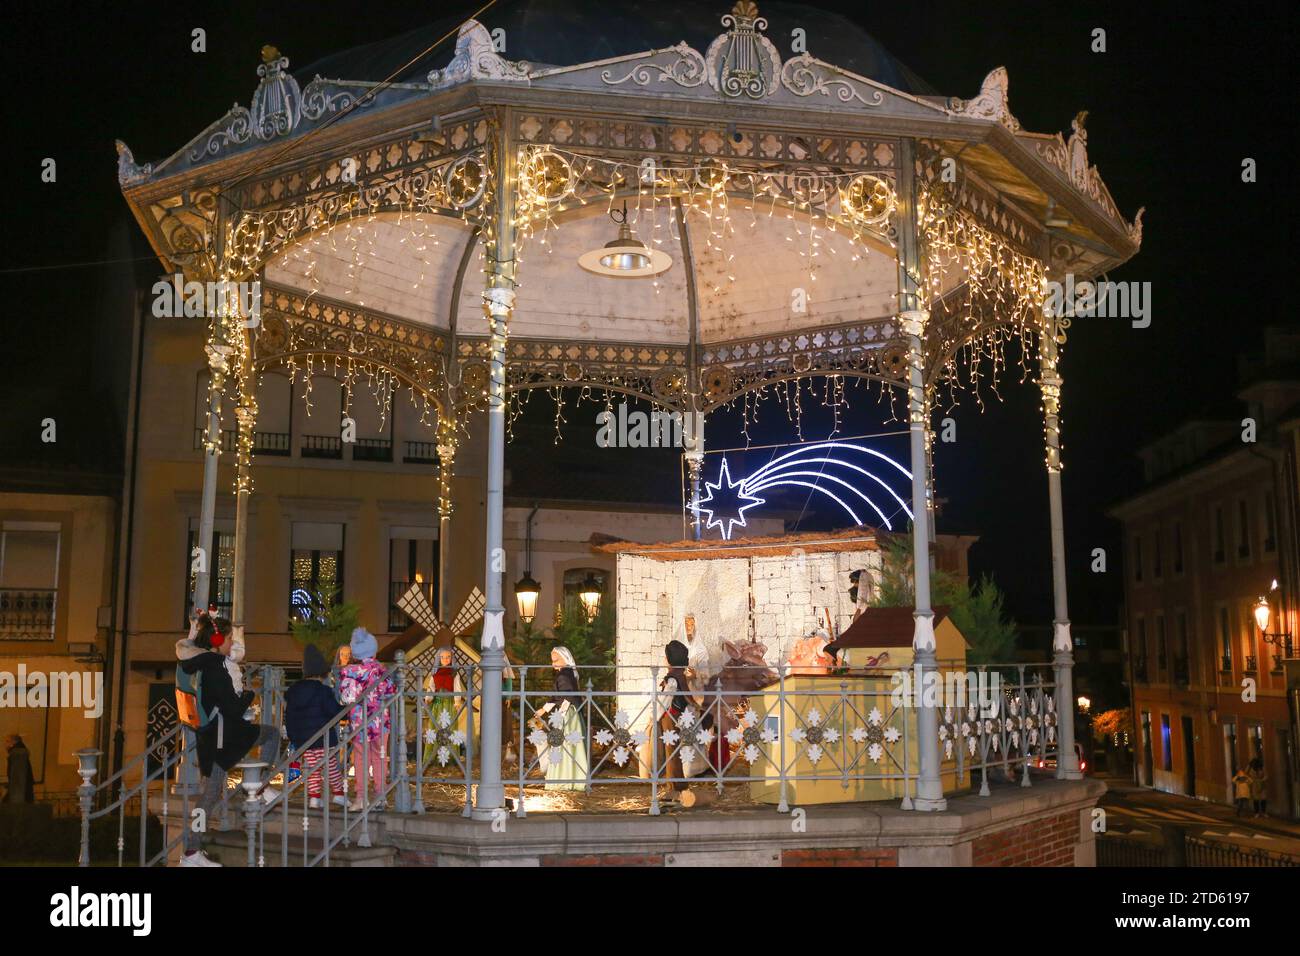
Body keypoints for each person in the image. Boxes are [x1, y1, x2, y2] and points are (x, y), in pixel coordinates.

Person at [176, 614, 281, 867]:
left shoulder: (197, 662)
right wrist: (248, 694)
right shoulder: (217, 664)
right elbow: (232, 707)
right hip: (226, 734)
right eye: (230, 638)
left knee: (208, 796)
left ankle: (191, 852)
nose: (231, 643)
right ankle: (258, 786)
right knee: (272, 735)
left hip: (209, 735)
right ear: (218, 639)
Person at [338, 627, 395, 811]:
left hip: (359, 723)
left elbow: (346, 698)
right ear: (374, 650)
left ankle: (361, 797)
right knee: (380, 757)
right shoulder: (381, 670)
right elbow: (390, 692)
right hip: (380, 722)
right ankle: (380, 796)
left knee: (361, 759)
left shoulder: (350, 671)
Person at [285, 645, 346, 809]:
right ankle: (339, 794)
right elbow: (333, 711)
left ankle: (314, 798)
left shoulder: (294, 691)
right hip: (322, 737)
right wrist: (348, 710)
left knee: (312, 768)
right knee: (331, 765)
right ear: (322, 672)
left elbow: (289, 717)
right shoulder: (323, 691)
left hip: (304, 739)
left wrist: (293, 737)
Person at [532, 646, 587, 791]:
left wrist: (545, 709)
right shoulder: (569, 674)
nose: (553, 664)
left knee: (564, 745)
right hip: (570, 712)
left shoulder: (564, 675)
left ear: (565, 659)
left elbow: (563, 696)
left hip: (568, 714)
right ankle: (572, 777)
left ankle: (565, 779)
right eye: (552, 661)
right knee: (568, 746)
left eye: (556, 660)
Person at [656, 640, 696, 801]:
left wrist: (655, 717)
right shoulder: (680, 675)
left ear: (669, 659)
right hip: (677, 716)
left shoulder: (672, 679)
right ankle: (675, 785)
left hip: (671, 717)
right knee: (672, 751)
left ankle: (675, 788)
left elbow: (666, 699)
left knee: (671, 752)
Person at [3, 734, 34, 804]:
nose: (5, 744)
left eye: (7, 741)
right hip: (23, 789)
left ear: (13, 742)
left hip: (19, 791)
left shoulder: (17, 753)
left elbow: (17, 776)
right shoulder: (19, 752)